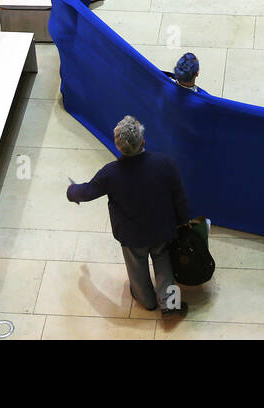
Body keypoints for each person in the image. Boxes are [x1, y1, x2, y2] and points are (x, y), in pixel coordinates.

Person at [67, 115, 191, 316]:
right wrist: (183, 221)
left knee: (137, 268)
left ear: (118, 146)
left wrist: (71, 191)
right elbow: (179, 198)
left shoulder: (110, 173)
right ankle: (170, 305)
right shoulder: (164, 164)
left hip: (131, 235)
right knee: (163, 263)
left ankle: (146, 300)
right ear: (143, 142)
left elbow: (88, 191)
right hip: (162, 229)